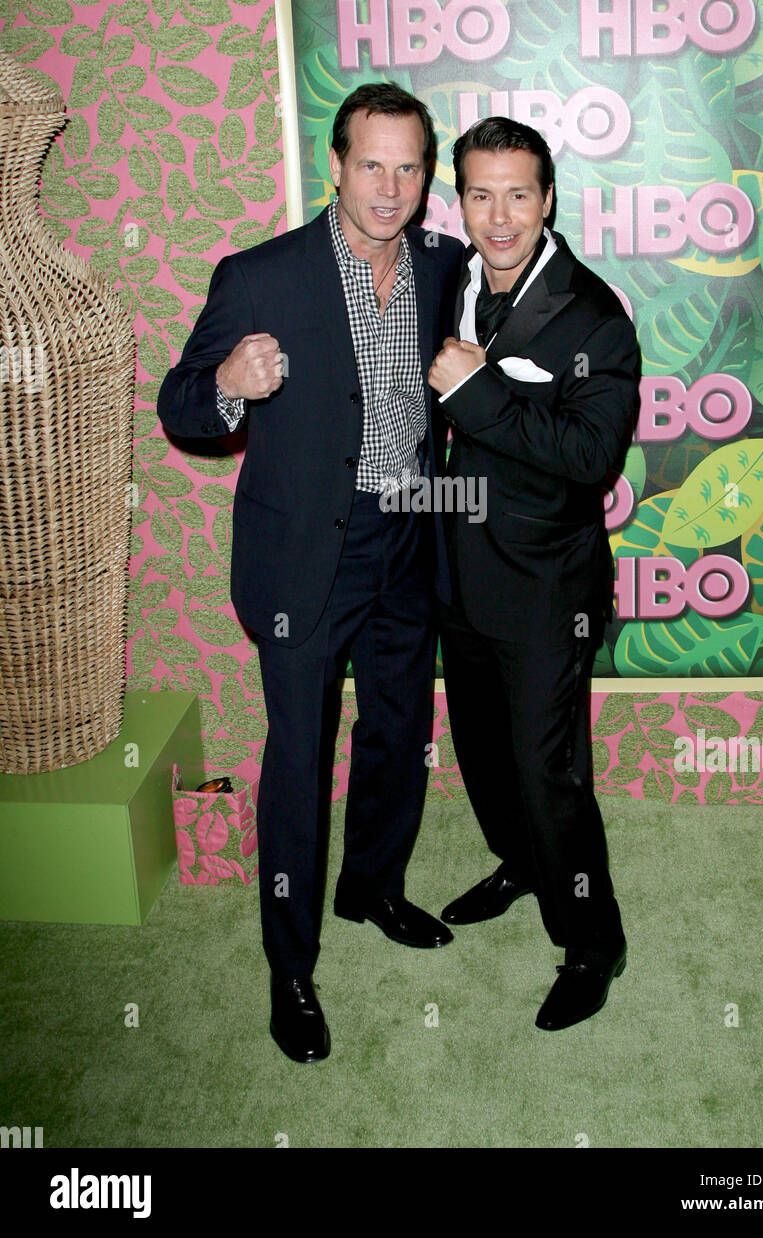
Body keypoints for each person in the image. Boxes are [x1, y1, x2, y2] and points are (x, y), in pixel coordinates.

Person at [158, 83, 465, 1063]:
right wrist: (225, 389)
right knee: (298, 759)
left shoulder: (439, 262)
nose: (389, 186)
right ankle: (290, 967)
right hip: (305, 557)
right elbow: (176, 404)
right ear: (334, 165)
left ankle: (369, 885)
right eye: (370, 164)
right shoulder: (259, 277)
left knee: (397, 729)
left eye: (409, 166)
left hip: (408, 532)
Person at [428, 116, 640, 1031]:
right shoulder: (450, 283)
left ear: (548, 199)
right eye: (481, 193)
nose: (500, 215)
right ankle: (520, 863)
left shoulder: (592, 312)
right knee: (481, 756)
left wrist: (478, 392)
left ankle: (593, 941)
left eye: (519, 193)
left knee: (547, 771)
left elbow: (592, 456)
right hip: (458, 578)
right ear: (461, 199)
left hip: (549, 593)